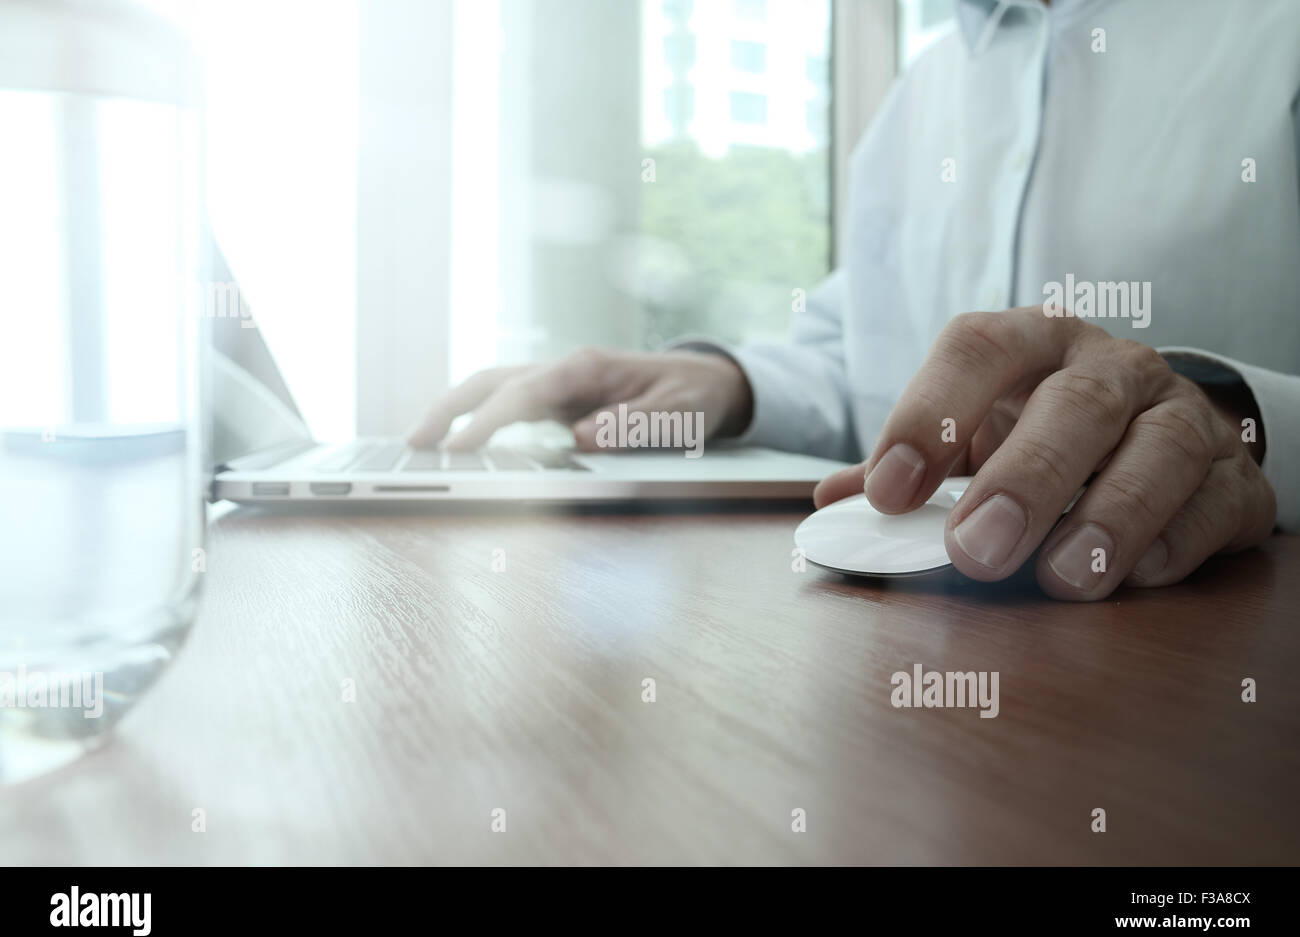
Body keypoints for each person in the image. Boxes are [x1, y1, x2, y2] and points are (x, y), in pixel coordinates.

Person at [409, 0, 1300, 602]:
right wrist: (726, 381)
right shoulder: (928, 85)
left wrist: (1239, 421)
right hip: (921, 654)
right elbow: (869, 356)